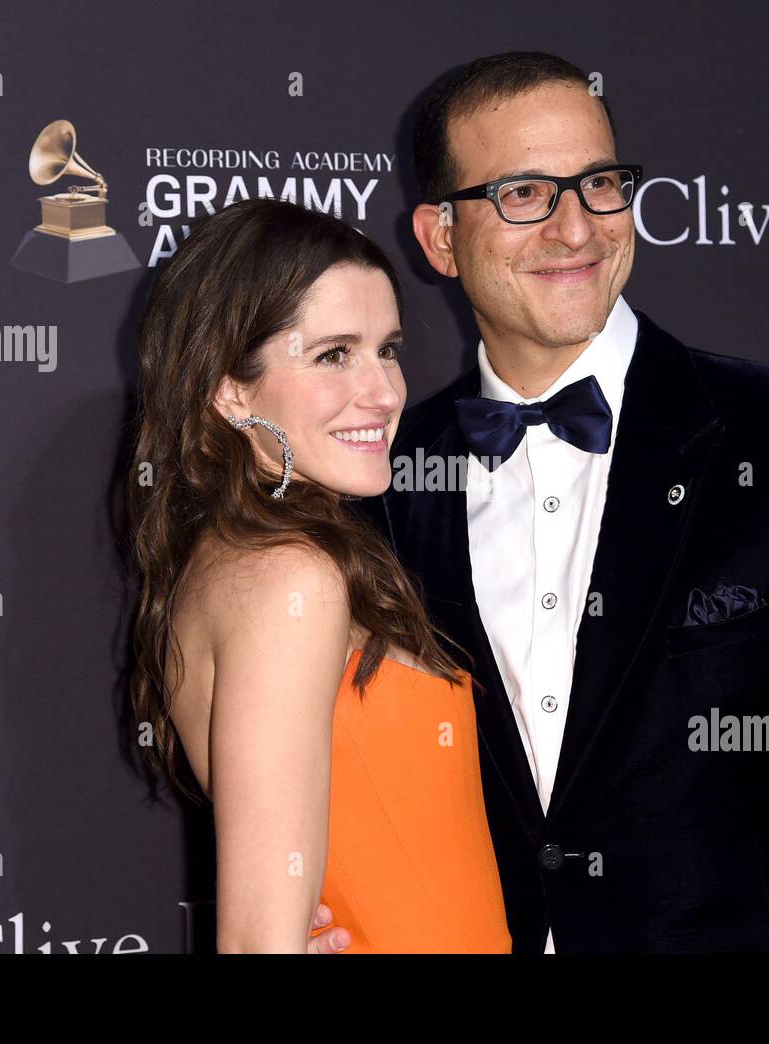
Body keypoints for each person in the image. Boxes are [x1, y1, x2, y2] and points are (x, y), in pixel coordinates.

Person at [339, 51, 769, 953]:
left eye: (601, 185)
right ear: (441, 239)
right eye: (526, 193)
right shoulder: (383, 480)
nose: (576, 229)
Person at [126, 197, 511, 953]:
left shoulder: (256, 560)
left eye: (388, 350)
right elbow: (256, 941)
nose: (386, 393)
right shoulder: (291, 579)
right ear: (230, 389)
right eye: (334, 354)